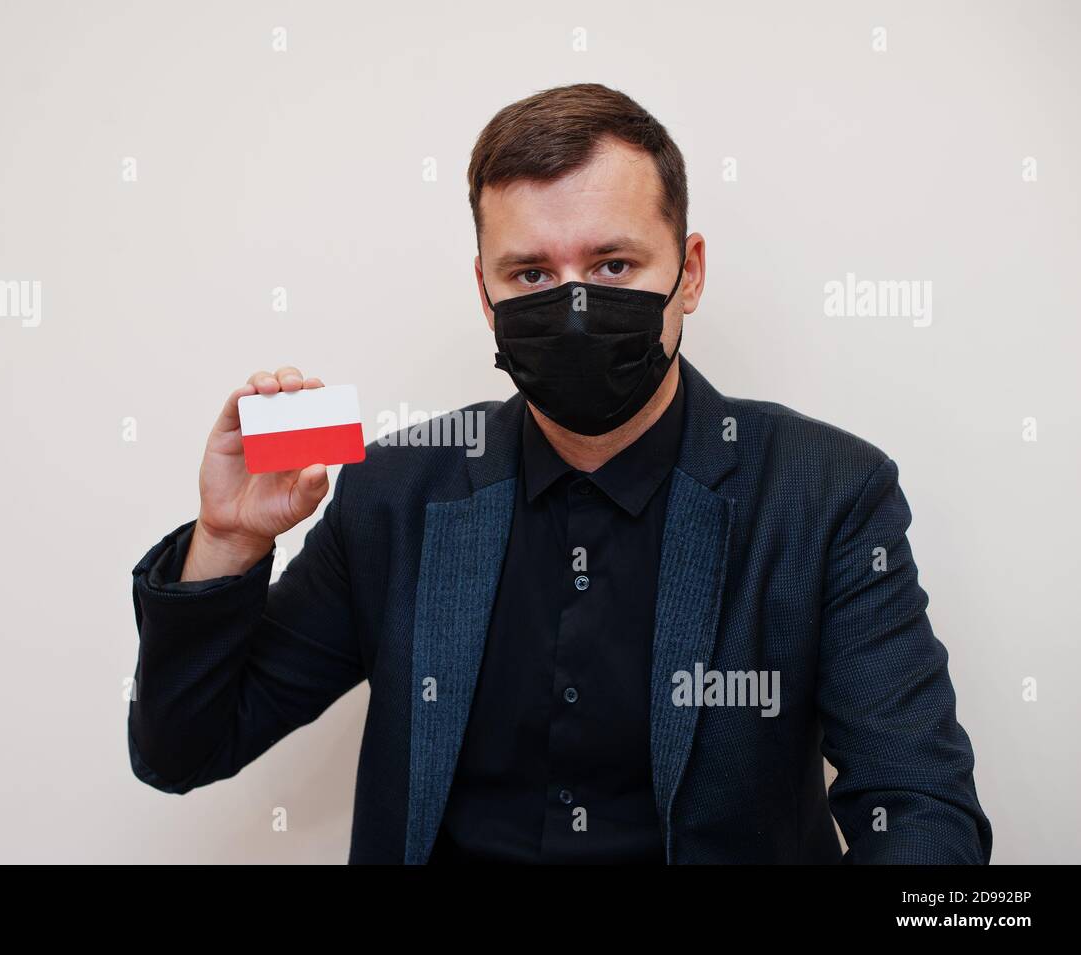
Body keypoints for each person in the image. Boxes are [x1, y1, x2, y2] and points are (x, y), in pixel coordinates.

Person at [126, 83, 992, 864]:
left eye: (613, 266)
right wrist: (227, 541)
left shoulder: (826, 493)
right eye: (532, 273)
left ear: (688, 272)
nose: (574, 306)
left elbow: (921, 812)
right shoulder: (396, 492)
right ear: (484, 292)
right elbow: (183, 749)